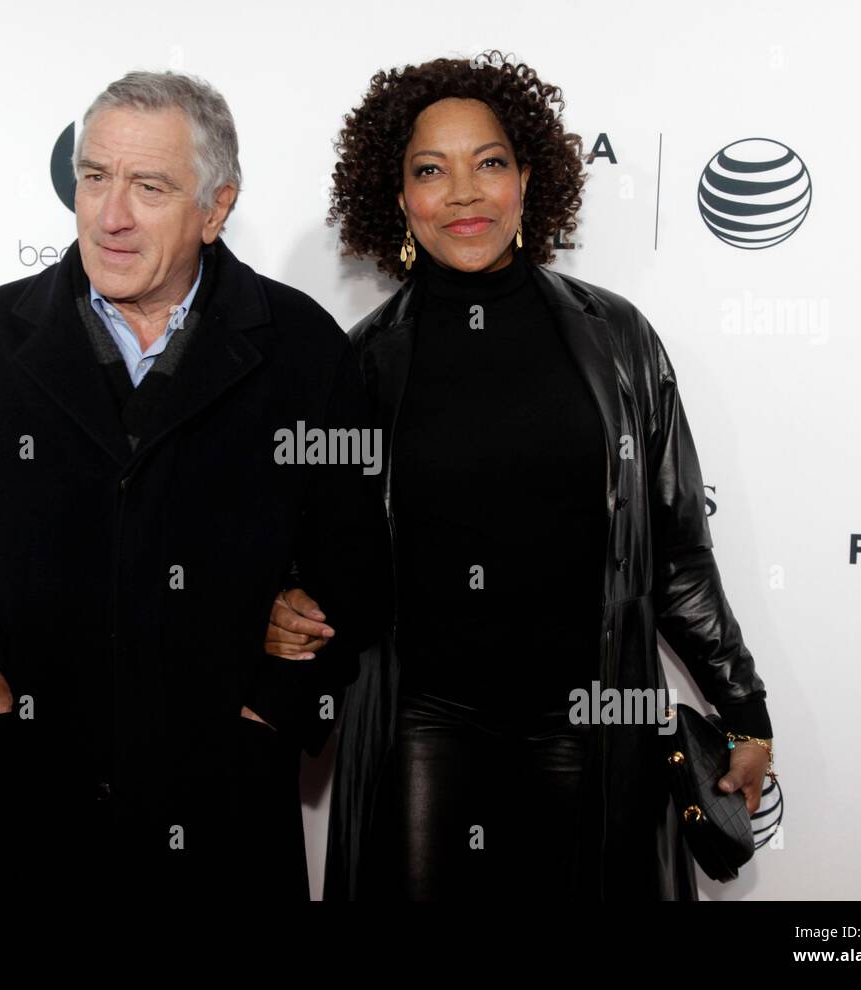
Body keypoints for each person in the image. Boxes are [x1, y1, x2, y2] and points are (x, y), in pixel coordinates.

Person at [264, 50, 777, 900]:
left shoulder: (619, 341)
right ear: (399, 196)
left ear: (527, 180)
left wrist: (746, 712)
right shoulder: (358, 365)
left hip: (596, 717)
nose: (464, 194)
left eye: (490, 163)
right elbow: (321, 546)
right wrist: (285, 601)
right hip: (424, 725)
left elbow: (678, 550)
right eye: (431, 170)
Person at [0, 69, 388, 901]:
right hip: (15, 800)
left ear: (215, 209)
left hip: (220, 815)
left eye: (149, 187)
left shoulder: (305, 350)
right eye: (95, 177)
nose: (111, 215)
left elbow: (352, 561)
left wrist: (270, 711)